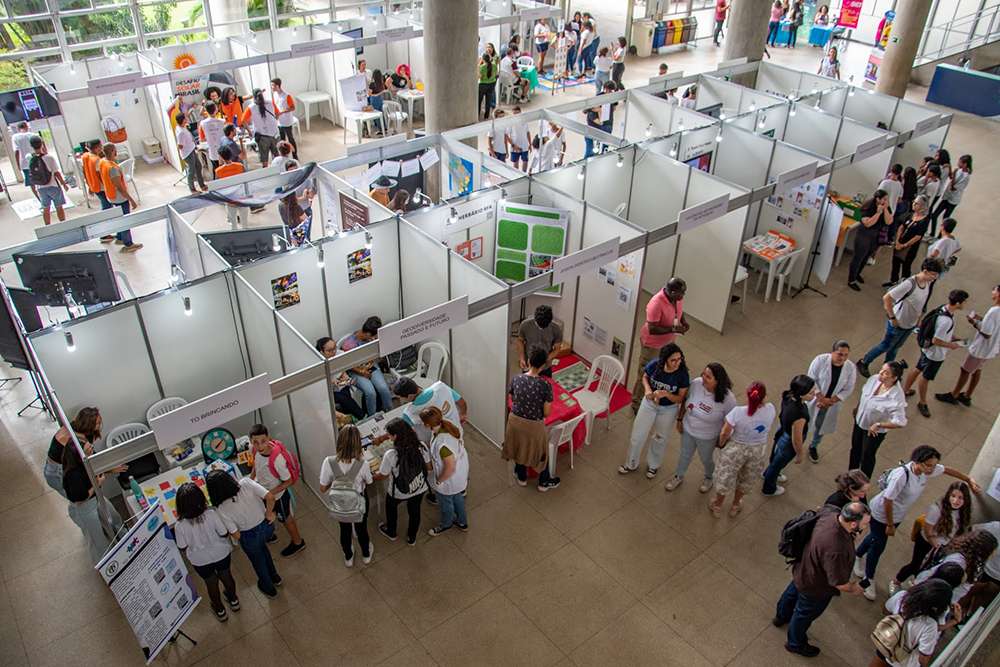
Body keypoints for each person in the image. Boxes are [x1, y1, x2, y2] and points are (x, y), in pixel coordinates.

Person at [855, 445, 980, 601]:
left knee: (875, 538)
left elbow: (947, 470)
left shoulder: (926, 470)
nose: (931, 469)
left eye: (933, 465)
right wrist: (890, 524)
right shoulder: (901, 476)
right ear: (917, 461)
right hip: (882, 515)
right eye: (928, 465)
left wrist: (968, 479)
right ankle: (868, 580)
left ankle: (858, 555)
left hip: (897, 515)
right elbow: (888, 500)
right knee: (878, 546)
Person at [774, 502, 868, 657]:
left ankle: (781, 616)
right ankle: (795, 643)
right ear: (853, 524)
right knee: (803, 614)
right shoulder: (838, 548)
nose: (867, 526)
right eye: (865, 524)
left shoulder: (830, 515)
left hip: (803, 568)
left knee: (792, 592)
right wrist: (854, 588)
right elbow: (838, 583)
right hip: (816, 586)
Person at [859, 258, 943, 376]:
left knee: (895, 348)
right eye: (933, 274)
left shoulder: (928, 283)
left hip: (910, 324)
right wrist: (892, 318)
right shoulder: (909, 284)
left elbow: (922, 302)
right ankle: (864, 361)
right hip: (897, 323)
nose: (935, 278)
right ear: (925, 271)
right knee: (885, 345)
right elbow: (887, 298)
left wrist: (918, 319)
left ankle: (889, 369)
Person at [621, 343, 690, 478]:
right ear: (665, 360)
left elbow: (680, 398)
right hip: (649, 404)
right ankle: (631, 463)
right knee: (637, 435)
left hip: (668, 409)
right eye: (673, 360)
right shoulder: (655, 364)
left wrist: (666, 395)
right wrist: (648, 390)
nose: (677, 363)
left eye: (679, 359)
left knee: (660, 437)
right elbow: (645, 377)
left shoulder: (682, 374)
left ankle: (653, 465)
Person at [173, 482, 240, 622]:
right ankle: (234, 600)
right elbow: (223, 533)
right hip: (221, 552)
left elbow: (182, 546)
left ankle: (220, 610)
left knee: (211, 583)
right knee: (226, 575)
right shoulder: (211, 514)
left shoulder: (180, 526)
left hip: (200, 560)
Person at [207, 469, 280, 596]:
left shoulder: (221, 508)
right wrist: (269, 513)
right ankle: (275, 577)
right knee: (263, 549)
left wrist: (247, 539)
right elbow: (270, 497)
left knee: (258, 561)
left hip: (249, 536)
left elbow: (235, 534)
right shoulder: (246, 483)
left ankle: (269, 588)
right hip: (266, 527)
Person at [891, 481, 972, 595]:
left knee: (927, 570)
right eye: (953, 496)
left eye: (960, 498)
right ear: (948, 495)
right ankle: (896, 581)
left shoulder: (963, 512)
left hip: (942, 546)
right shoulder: (936, 509)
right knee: (916, 564)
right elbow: (928, 530)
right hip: (926, 542)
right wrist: (935, 545)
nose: (956, 501)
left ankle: (915, 585)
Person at [665, 362, 736, 492]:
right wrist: (680, 419)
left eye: (708, 377)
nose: (703, 377)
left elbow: (731, 421)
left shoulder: (728, 399)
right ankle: (678, 476)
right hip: (688, 430)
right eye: (703, 374)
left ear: (717, 381)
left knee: (706, 459)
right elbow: (686, 400)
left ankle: (709, 477)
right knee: (684, 454)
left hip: (708, 437)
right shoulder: (696, 383)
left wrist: (723, 439)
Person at [709, 381, 776, 517]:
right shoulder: (770, 409)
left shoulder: (738, 413)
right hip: (758, 449)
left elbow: (725, 433)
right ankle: (735, 504)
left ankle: (717, 505)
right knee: (747, 477)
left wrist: (721, 444)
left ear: (747, 395)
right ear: (764, 397)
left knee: (726, 476)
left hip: (736, 448)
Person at [901, 289, 968, 418]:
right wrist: (951, 345)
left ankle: (905, 390)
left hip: (926, 350)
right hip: (935, 355)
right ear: (958, 303)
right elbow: (936, 340)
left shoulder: (943, 309)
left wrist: (951, 337)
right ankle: (922, 402)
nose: (965, 304)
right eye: (964, 301)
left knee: (917, 368)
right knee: (925, 378)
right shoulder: (946, 320)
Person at [503, 346, 560, 491]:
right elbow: (547, 413)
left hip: (515, 422)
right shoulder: (545, 385)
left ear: (528, 361)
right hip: (534, 426)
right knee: (542, 452)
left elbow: (511, 398)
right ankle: (544, 482)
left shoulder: (517, 379)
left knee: (520, 446)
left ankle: (521, 477)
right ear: (543, 365)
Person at [62, 440, 126, 565]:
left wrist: (111, 470)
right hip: (84, 506)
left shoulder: (87, 461)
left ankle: (126, 542)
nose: (92, 446)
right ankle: (109, 566)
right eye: (88, 448)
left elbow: (96, 470)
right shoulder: (73, 475)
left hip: (97, 498)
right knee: (99, 541)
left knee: (115, 519)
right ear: (79, 455)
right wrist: (97, 484)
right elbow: (80, 498)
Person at [870, 578, 959, 667]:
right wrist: (955, 621)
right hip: (901, 662)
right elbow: (923, 659)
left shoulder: (902, 596)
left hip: (886, 646)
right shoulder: (930, 625)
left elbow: (886, 610)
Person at [319, 425, 373, 566]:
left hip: (340, 502)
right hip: (359, 499)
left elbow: (323, 488)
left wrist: (338, 482)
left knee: (344, 529)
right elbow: (369, 481)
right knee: (362, 529)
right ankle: (366, 554)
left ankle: (348, 557)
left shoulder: (328, 462)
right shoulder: (363, 463)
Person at [248, 424, 305, 557]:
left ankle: (298, 543)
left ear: (269, 438)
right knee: (267, 514)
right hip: (265, 493)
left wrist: (270, 493)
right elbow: (256, 466)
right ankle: (270, 535)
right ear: (251, 441)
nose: (260, 446)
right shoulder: (255, 450)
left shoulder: (277, 459)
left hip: (278, 497)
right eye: (255, 442)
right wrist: (250, 481)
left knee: (286, 519)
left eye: (263, 441)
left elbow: (289, 481)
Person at [632, 278, 688, 413]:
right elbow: (652, 328)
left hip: (667, 343)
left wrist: (683, 321)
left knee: (662, 370)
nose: (683, 296)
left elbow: (679, 311)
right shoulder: (656, 303)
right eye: (681, 293)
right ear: (672, 292)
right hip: (652, 345)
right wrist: (674, 329)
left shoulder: (677, 298)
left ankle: (656, 393)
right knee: (644, 372)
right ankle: (637, 403)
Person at [939, 283, 999, 407]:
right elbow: (993, 325)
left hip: (982, 348)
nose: (993, 291)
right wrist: (982, 319)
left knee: (965, 370)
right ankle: (967, 395)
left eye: (995, 290)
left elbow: (987, 333)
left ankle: (954, 394)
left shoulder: (994, 311)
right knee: (977, 370)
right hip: (990, 349)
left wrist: (974, 323)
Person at [375, 418, 431, 545]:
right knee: (415, 512)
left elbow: (383, 475)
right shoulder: (421, 446)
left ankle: (391, 532)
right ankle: (412, 538)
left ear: (395, 436)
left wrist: (371, 476)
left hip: (399, 491)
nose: (388, 437)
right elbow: (428, 467)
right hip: (419, 487)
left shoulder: (391, 454)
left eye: (389, 435)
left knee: (391, 508)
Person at [850, 361, 908, 478]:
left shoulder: (896, 397)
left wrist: (879, 425)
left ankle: (862, 482)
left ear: (894, 378)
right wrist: (857, 408)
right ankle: (850, 475)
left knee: (867, 456)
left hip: (874, 432)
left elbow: (900, 422)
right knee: (855, 449)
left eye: (885, 373)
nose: (880, 373)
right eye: (882, 370)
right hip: (859, 422)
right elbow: (865, 395)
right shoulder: (874, 379)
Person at [804, 341, 856, 462]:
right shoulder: (820, 360)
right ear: (832, 352)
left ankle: (814, 446)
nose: (842, 358)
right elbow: (811, 378)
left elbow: (849, 388)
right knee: (805, 422)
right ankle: (798, 442)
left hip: (831, 404)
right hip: (815, 399)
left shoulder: (850, 368)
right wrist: (820, 397)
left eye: (846, 355)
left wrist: (831, 400)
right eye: (839, 354)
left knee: (821, 426)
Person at [422, 406, 471, 533]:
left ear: (427, 424)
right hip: (459, 475)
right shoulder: (447, 426)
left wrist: (439, 480)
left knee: (445, 504)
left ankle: (446, 524)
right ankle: (462, 522)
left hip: (449, 478)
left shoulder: (443, 443)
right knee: (457, 498)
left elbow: (449, 468)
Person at [340, 316, 394, 417]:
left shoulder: (370, 338)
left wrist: (370, 363)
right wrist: (362, 372)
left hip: (370, 366)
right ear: (368, 334)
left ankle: (390, 411)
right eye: (373, 337)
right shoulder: (349, 344)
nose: (374, 339)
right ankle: (372, 417)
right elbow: (347, 365)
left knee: (384, 388)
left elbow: (375, 356)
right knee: (370, 392)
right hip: (355, 370)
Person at [392, 376, 467, 446]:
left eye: (400, 397)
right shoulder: (441, 386)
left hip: (438, 445)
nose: (400, 400)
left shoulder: (409, 413)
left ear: (410, 396)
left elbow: (407, 435)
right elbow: (462, 402)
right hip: (457, 432)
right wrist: (463, 415)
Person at [45, 407, 101, 496]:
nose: (99, 426)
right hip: (58, 474)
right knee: (82, 502)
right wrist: (109, 469)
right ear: (88, 424)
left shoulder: (77, 427)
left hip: (58, 469)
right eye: (97, 423)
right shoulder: (71, 440)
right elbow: (83, 464)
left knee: (92, 499)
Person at [99, 143, 143, 251]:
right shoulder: (112, 168)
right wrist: (131, 200)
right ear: (114, 151)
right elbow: (119, 187)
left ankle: (120, 237)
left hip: (110, 195)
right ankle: (128, 244)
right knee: (125, 220)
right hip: (119, 198)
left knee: (119, 218)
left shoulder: (103, 162)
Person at [849, 189, 893, 291]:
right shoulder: (868, 206)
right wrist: (878, 213)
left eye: (887, 199)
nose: (886, 201)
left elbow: (889, 221)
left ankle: (857, 274)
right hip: (864, 236)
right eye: (884, 199)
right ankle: (851, 279)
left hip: (875, 237)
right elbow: (868, 223)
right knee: (858, 258)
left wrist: (885, 209)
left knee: (866, 257)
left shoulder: (886, 207)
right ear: (878, 199)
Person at [315, 336, 366, 422]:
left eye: (334, 348)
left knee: (345, 394)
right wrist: (331, 382)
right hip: (327, 391)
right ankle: (361, 416)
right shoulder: (318, 364)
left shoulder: (339, 354)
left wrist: (346, 379)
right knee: (342, 397)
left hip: (339, 386)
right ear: (321, 352)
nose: (334, 352)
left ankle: (355, 418)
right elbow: (320, 384)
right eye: (330, 350)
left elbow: (342, 371)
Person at [886, 195, 931, 286]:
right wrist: (898, 240)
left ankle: (904, 285)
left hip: (910, 248)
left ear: (922, 206)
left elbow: (917, 237)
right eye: (914, 202)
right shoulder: (911, 214)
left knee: (906, 266)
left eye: (916, 203)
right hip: (900, 242)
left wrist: (904, 245)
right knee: (895, 263)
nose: (913, 204)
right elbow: (901, 227)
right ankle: (893, 281)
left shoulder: (924, 220)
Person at [27, 136, 68, 226]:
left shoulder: (29, 158)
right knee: (59, 207)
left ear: (31, 146)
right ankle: (63, 224)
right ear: (42, 144)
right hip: (53, 185)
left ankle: (47, 226)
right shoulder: (49, 158)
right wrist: (63, 184)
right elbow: (56, 173)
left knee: (46, 208)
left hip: (41, 188)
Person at [516, 305, 567, 376]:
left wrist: (544, 360)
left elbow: (557, 348)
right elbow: (520, 341)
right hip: (529, 364)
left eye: (544, 327)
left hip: (545, 366)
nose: (541, 328)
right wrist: (522, 358)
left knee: (545, 385)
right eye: (539, 326)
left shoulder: (556, 329)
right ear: (535, 319)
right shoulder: (525, 325)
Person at [929, 154, 971, 237]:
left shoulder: (966, 176)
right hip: (947, 197)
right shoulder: (959, 170)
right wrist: (950, 168)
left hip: (953, 200)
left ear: (965, 164)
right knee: (934, 215)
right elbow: (952, 177)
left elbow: (954, 187)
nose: (958, 163)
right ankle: (932, 234)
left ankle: (939, 237)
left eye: (960, 162)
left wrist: (954, 175)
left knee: (945, 219)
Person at [241, 89, 280, 167]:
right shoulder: (270, 102)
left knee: (264, 161)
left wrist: (249, 131)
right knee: (277, 158)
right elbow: (278, 113)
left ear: (254, 97)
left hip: (262, 136)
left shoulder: (251, 107)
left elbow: (243, 120)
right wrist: (274, 121)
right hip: (275, 133)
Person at [174, 114, 205, 193]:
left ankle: (202, 185)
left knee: (198, 166)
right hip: (188, 154)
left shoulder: (181, 127)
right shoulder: (181, 132)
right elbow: (180, 146)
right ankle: (192, 189)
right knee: (192, 171)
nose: (187, 119)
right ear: (183, 120)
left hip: (191, 150)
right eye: (185, 118)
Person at [270, 78, 298, 160]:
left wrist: (281, 112)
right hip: (279, 121)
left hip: (287, 121)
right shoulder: (275, 95)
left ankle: (295, 155)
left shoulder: (287, 96)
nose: (272, 87)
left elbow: (292, 108)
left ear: (278, 86)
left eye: (273, 85)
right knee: (282, 140)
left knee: (290, 138)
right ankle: (283, 156)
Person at [12, 121, 39, 197]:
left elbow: (16, 152)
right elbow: (42, 148)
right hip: (37, 161)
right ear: (27, 127)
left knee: (32, 183)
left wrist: (18, 164)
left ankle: (40, 200)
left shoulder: (15, 137)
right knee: (42, 178)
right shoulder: (34, 135)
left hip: (25, 164)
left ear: (18, 129)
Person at [198, 103, 226, 173]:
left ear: (206, 111)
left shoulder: (202, 123)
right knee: (226, 170)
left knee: (217, 170)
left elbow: (202, 139)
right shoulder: (223, 121)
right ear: (216, 110)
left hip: (212, 151)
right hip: (224, 150)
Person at [506, 106, 531, 172]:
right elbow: (506, 135)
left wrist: (530, 144)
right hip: (515, 147)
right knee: (515, 163)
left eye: (517, 113)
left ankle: (524, 176)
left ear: (520, 112)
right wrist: (513, 145)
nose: (516, 115)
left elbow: (528, 132)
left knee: (525, 161)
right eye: (514, 113)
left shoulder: (524, 121)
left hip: (524, 146)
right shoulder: (510, 122)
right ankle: (517, 177)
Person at [478, 49, 498, 120]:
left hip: (483, 85)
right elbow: (496, 74)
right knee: (488, 101)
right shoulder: (494, 65)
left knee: (479, 100)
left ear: (483, 59)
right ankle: (486, 116)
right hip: (491, 84)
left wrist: (478, 64)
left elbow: (479, 77)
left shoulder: (482, 67)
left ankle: (478, 115)